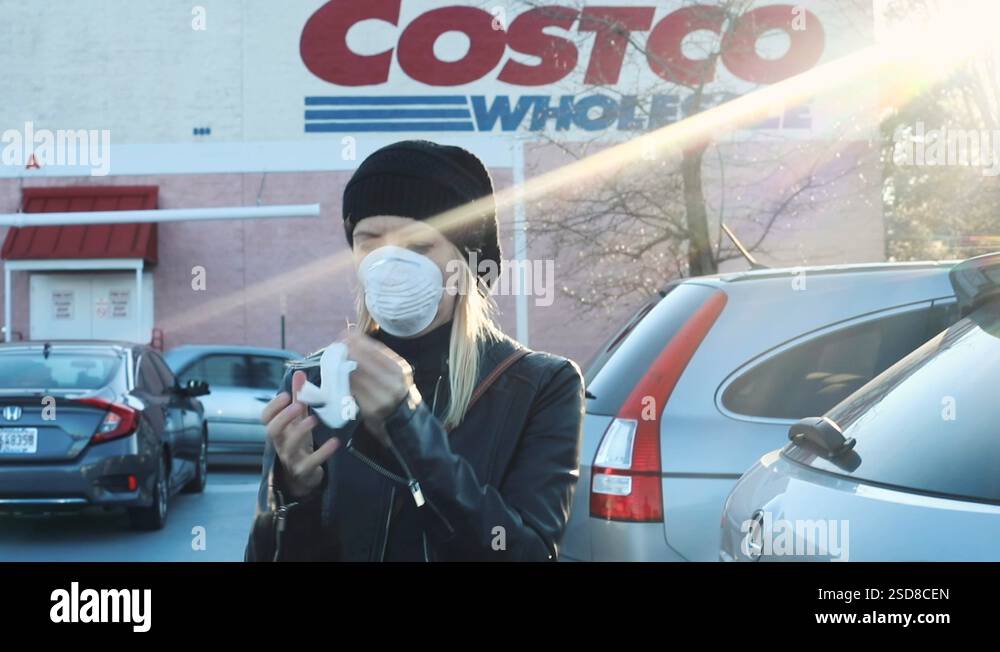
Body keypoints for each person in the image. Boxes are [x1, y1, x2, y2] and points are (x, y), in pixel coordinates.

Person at [245, 140, 585, 562]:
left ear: (465, 259)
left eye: (419, 246)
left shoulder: (538, 385)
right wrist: (296, 494)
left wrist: (406, 426)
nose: (389, 262)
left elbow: (527, 553)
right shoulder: (316, 382)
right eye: (369, 241)